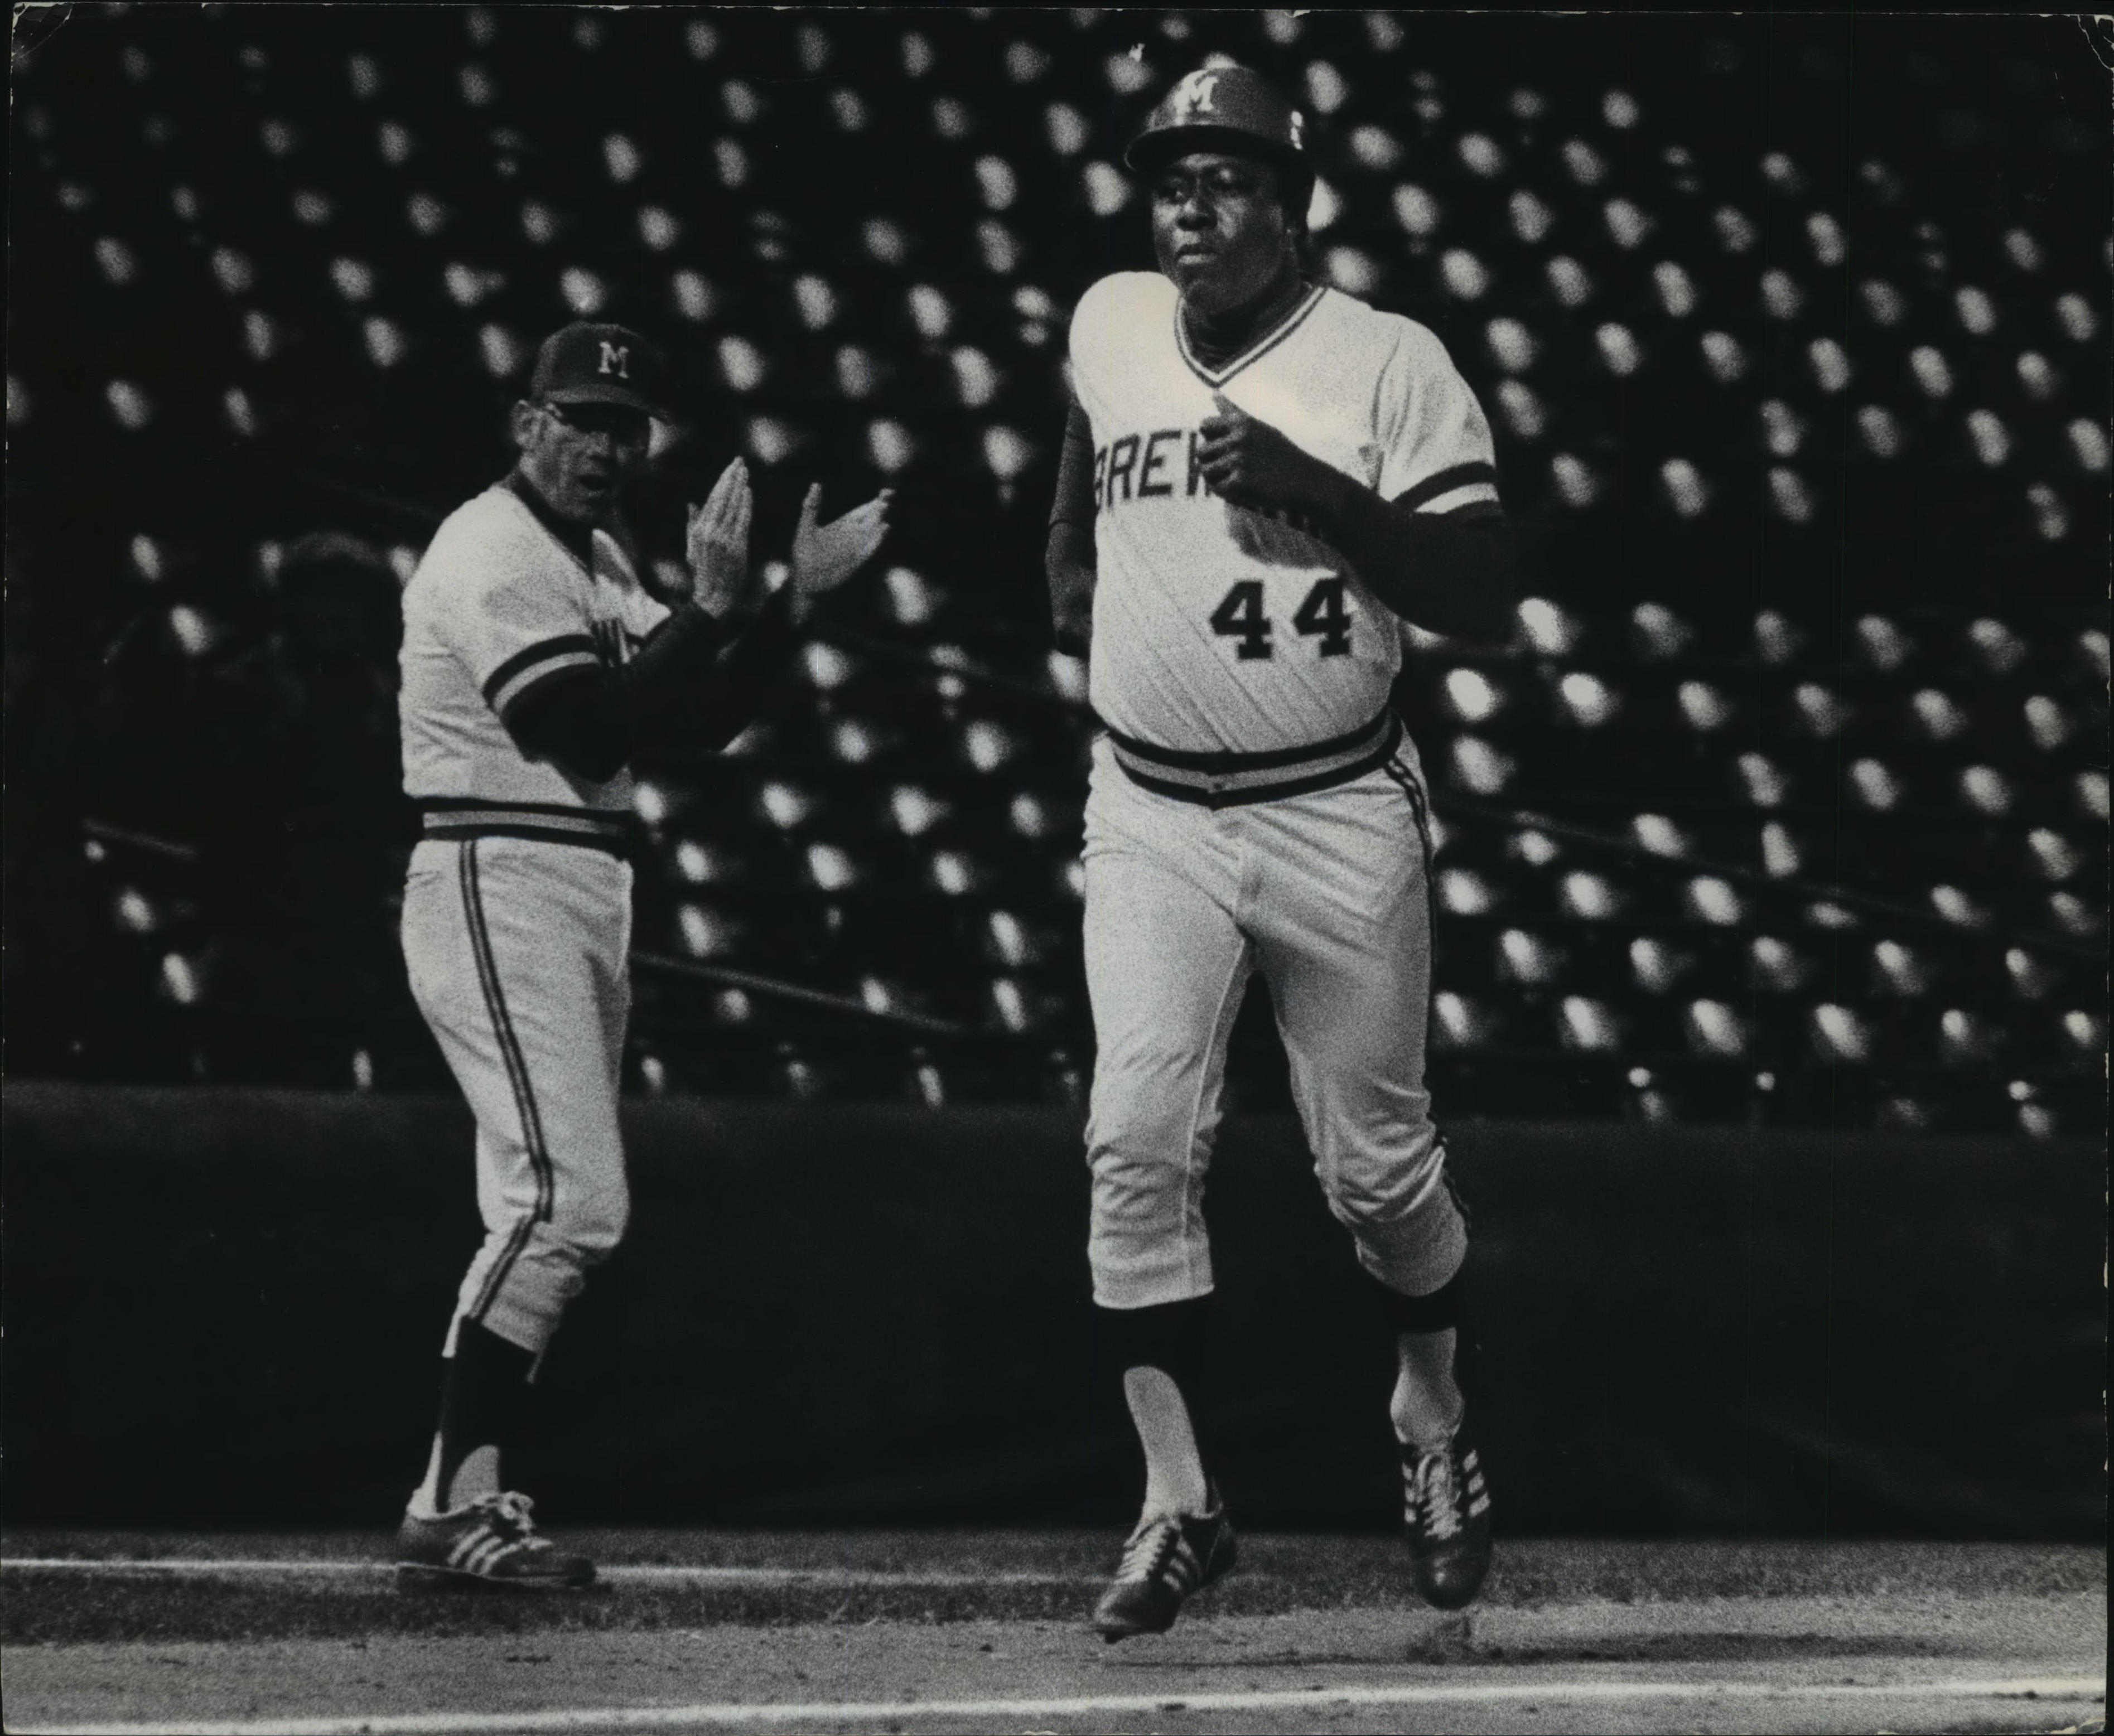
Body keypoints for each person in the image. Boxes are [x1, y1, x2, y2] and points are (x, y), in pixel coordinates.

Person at [1045, 68, 1518, 1640]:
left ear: (1293, 200)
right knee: (1132, 1135)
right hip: (1152, 811)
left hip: (1333, 802)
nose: (1191, 201)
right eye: (1169, 175)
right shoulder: (1108, 321)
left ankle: (1430, 1414)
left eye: (1228, 176)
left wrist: (1321, 493)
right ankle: (1177, 1498)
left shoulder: (1387, 361)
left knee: (1376, 1175)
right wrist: (1073, 585)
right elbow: (1078, 478)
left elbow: (1479, 582)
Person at [392, 320, 890, 1587]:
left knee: (539, 1205)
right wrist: (715, 604)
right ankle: (449, 1501)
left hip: (569, 875)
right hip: (494, 864)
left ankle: (466, 1498)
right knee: (569, 1205)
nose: (603, 445)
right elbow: (585, 728)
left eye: (624, 424)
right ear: (526, 423)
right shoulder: (487, 548)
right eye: (579, 418)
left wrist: (787, 605)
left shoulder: (596, 555)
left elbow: (697, 722)